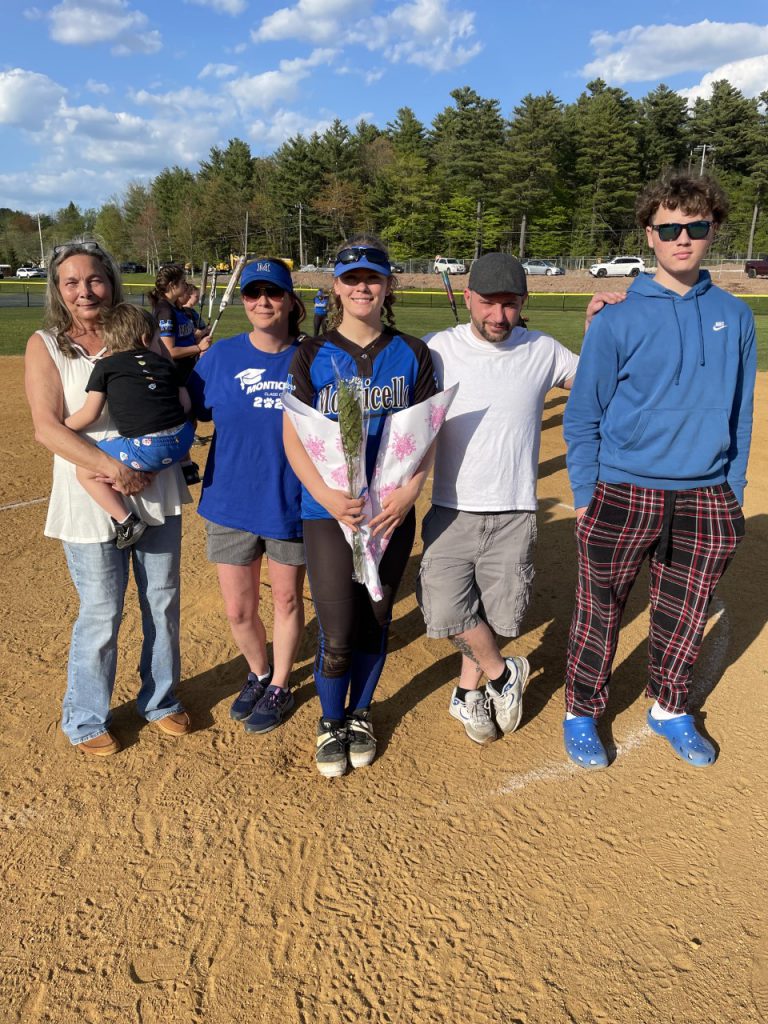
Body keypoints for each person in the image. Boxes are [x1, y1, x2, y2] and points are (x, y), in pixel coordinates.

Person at [562, 172, 755, 770]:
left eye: (695, 227)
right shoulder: (618, 317)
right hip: (623, 488)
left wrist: (733, 490)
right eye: (669, 228)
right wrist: (585, 493)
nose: (682, 239)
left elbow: (740, 414)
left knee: (685, 611)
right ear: (649, 235)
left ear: (712, 231)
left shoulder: (735, 315)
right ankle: (583, 710)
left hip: (705, 495)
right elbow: (583, 414)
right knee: (601, 609)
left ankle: (669, 707)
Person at [24, 241, 192, 757]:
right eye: (71, 282)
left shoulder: (140, 334)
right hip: (93, 494)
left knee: (161, 602)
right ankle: (85, 716)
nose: (84, 291)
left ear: (111, 281)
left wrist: (154, 462)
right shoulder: (47, 344)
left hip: (154, 485)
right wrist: (114, 469)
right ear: (58, 290)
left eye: (93, 279)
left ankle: (161, 699)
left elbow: (170, 401)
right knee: (101, 610)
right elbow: (47, 429)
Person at [283, 235, 438, 777]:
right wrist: (325, 495)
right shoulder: (310, 353)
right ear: (337, 287)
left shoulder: (413, 353)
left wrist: (413, 488)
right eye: (352, 278)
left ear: (388, 284)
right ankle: (331, 720)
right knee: (338, 624)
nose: (362, 287)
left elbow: (426, 430)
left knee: (376, 616)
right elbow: (294, 435)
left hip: (389, 509)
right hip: (329, 510)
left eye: (372, 277)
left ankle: (362, 712)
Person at [418, 252, 580, 745]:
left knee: (498, 612)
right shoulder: (438, 350)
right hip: (451, 507)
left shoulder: (543, 351)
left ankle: (468, 693)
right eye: (488, 303)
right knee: (446, 611)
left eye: (510, 305)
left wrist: (596, 329)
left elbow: (595, 382)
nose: (498, 316)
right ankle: (503, 673)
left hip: (514, 510)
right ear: (468, 297)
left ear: (523, 303)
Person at [186, 259, 306, 736]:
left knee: (287, 600)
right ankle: (257, 671)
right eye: (253, 293)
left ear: (290, 301)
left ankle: (280, 683)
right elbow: (184, 410)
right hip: (230, 500)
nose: (262, 301)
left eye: (272, 293)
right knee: (238, 609)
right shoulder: (220, 357)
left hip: (289, 500)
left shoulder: (312, 357)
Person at [64, 303, 195, 549]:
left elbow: (90, 414)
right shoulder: (165, 364)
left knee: (85, 470)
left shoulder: (105, 367)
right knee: (173, 420)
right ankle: (188, 467)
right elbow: (185, 404)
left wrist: (64, 426)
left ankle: (126, 521)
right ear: (146, 338)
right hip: (184, 439)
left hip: (147, 449)